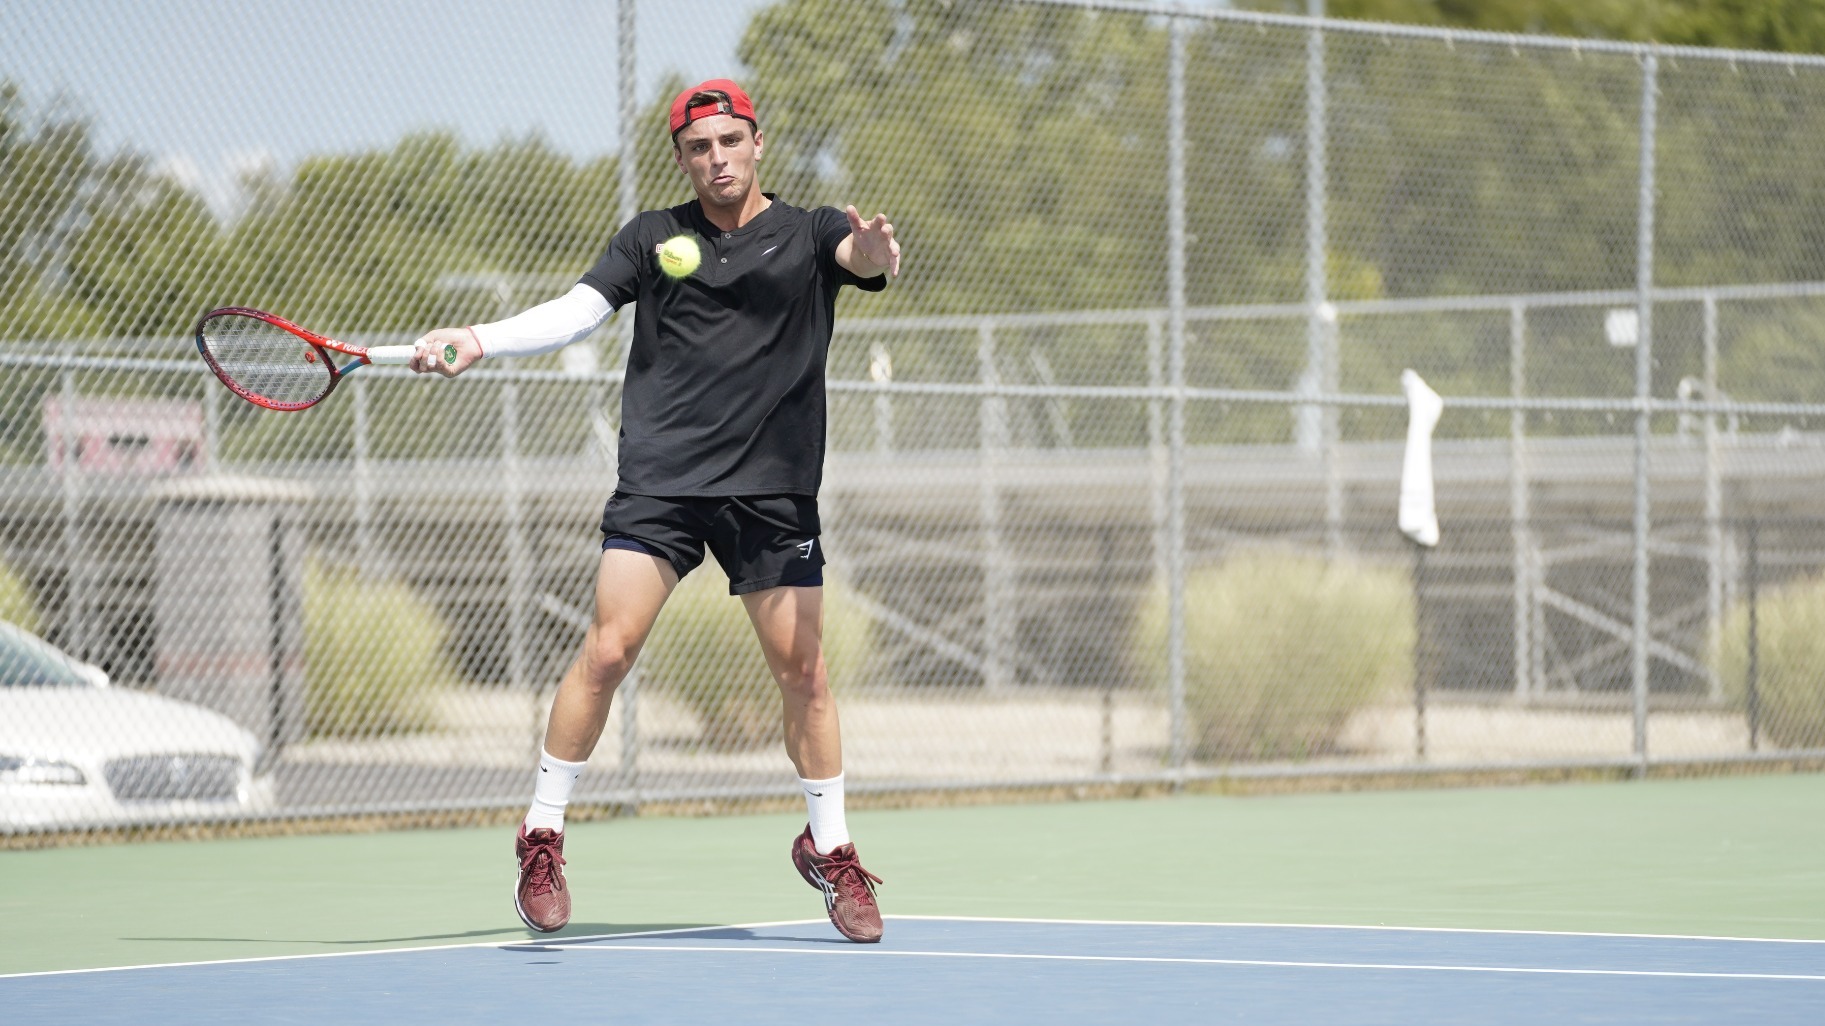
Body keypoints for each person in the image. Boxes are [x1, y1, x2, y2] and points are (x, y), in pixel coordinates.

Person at [407, 79, 899, 943]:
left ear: (757, 144)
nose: (717, 158)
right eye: (699, 147)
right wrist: (476, 338)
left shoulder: (814, 230)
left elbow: (866, 265)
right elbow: (574, 314)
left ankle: (832, 848)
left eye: (729, 141)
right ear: (682, 157)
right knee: (607, 650)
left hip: (773, 487)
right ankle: (542, 835)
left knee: (806, 675)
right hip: (663, 481)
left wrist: (872, 251)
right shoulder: (652, 237)